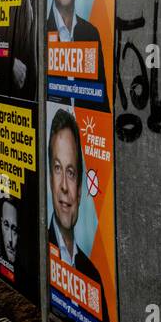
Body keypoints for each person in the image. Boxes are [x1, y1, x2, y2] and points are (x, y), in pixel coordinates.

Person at [46, 106, 105, 308]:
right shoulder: (39, 254)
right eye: (57, 169)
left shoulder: (93, 276)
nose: (63, 185)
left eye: (70, 172)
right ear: (50, 180)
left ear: (79, 190)